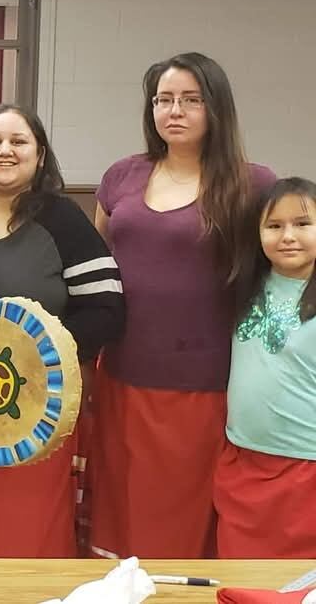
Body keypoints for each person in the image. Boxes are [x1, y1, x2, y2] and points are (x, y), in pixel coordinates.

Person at [90, 52, 275, 559]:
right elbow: (94, 264)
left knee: (183, 522)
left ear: (216, 108)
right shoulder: (122, 175)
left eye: (191, 100)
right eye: (163, 99)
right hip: (122, 373)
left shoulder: (253, 184)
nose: (174, 111)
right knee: (121, 511)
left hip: (204, 386)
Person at [0, 104, 125, 558]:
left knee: (29, 529)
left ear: (40, 156)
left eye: (18, 141)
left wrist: (36, 351)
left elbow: (108, 309)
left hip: (40, 416)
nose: (5, 150)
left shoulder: (63, 221)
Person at [214, 177, 316, 559]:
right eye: (274, 226)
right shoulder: (244, 285)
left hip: (306, 469)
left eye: (302, 224)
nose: (288, 236)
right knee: (241, 575)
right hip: (243, 462)